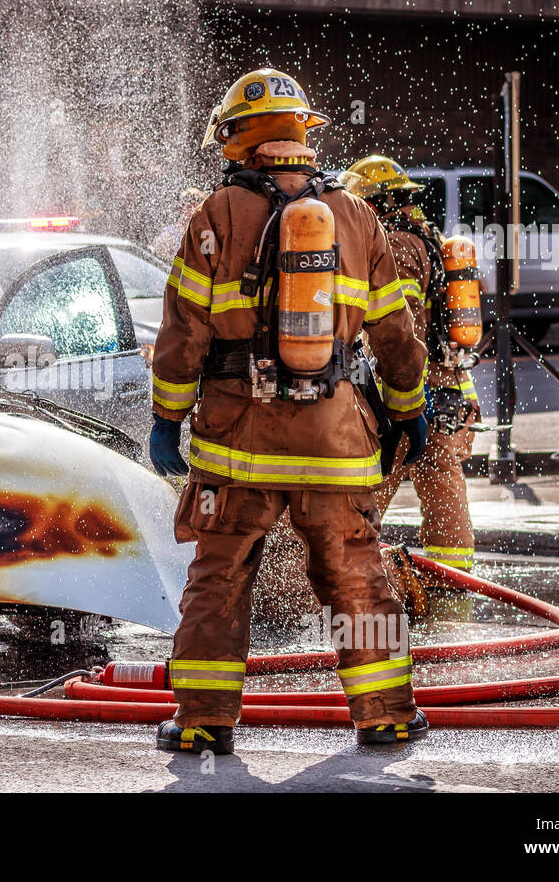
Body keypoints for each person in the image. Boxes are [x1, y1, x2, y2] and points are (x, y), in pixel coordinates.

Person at [149, 69, 430, 754]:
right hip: (333, 436)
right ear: (304, 132)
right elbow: (395, 333)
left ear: (240, 138)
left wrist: (167, 417)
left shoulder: (216, 215)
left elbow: (184, 334)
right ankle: (386, 712)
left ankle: (203, 721)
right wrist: (408, 407)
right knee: (354, 571)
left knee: (221, 574)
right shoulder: (358, 217)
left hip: (237, 441)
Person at [344, 155, 480, 575]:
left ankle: (353, 571)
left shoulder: (398, 246)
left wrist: (398, 394)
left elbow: (403, 329)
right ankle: (452, 580)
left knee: (371, 483)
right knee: (443, 487)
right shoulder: (426, 235)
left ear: (375, 203)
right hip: (445, 384)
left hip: (414, 389)